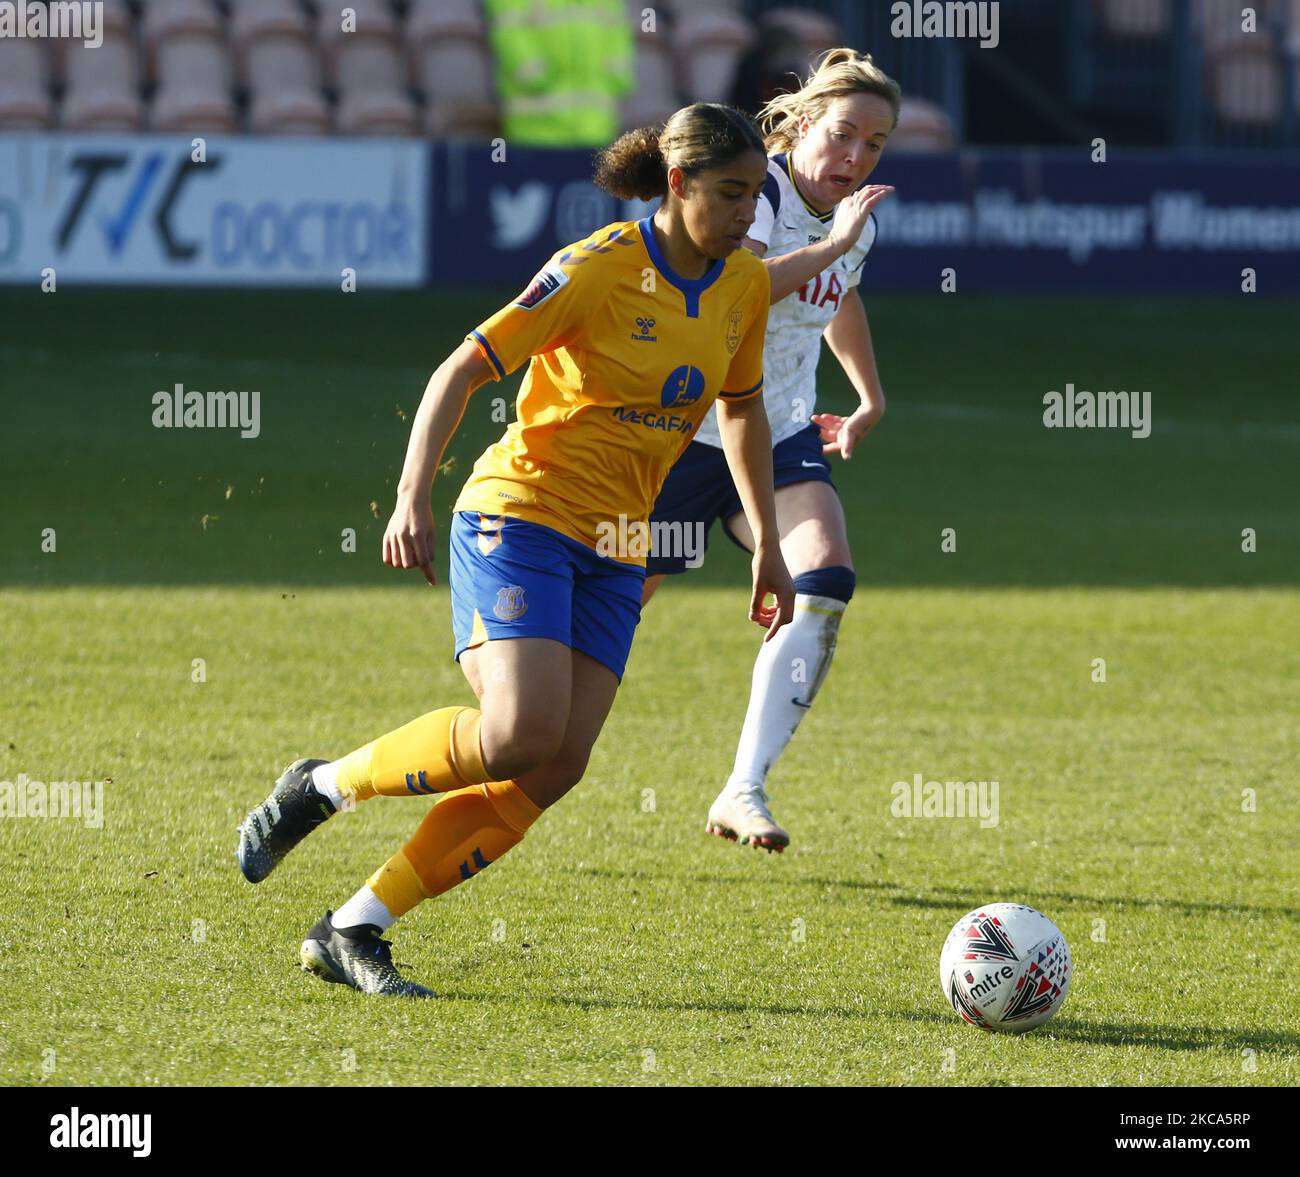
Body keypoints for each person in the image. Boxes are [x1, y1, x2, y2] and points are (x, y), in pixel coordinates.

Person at [235, 103, 794, 997]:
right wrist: (412, 492)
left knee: (557, 763)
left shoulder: (743, 286)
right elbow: (461, 366)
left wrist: (767, 539)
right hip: (521, 513)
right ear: (679, 184)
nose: (745, 213)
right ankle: (323, 784)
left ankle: (352, 927)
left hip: (616, 544)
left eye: (756, 195)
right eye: (730, 194)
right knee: (518, 731)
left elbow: (740, 408)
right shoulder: (598, 266)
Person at [643, 48, 900, 853]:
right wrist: (834, 249)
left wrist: (867, 395)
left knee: (824, 574)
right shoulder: (753, 193)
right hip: (681, 433)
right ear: (800, 124)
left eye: (875, 144)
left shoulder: (853, 219)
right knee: (604, 616)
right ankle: (495, 740)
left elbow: (839, 294)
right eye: (843, 134)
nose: (856, 157)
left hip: (779, 428)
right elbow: (745, 284)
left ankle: (743, 786)